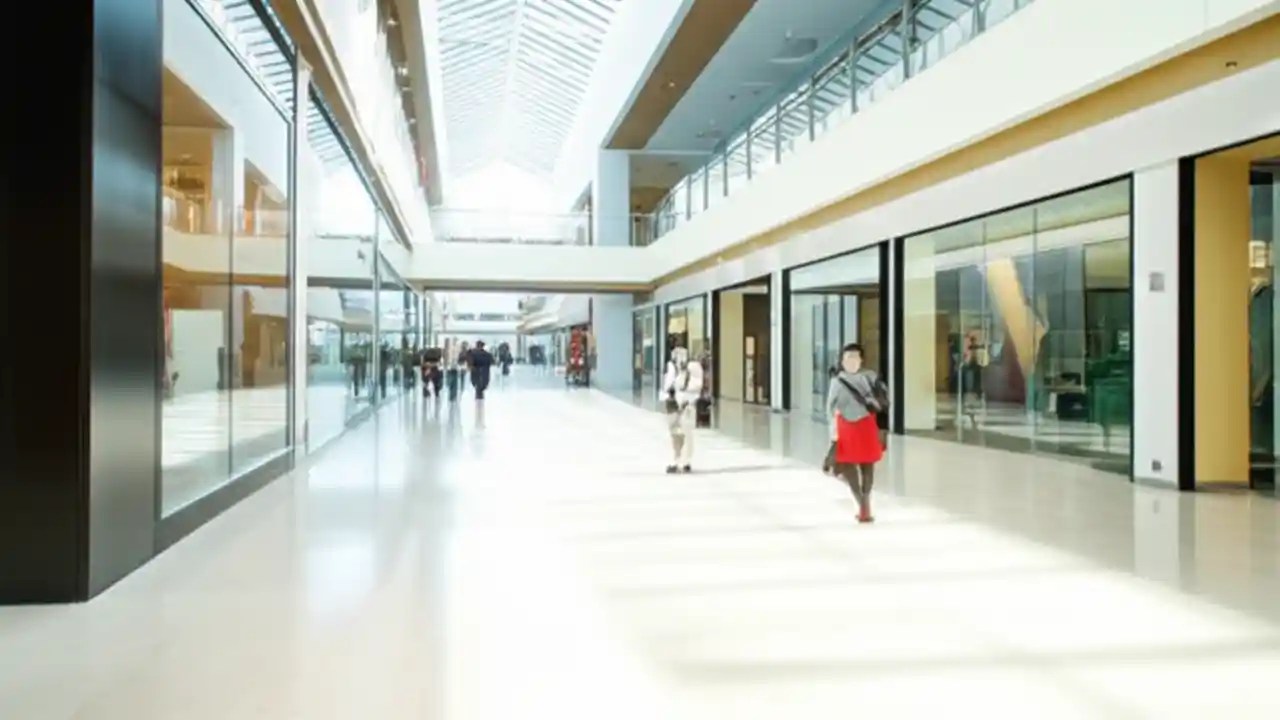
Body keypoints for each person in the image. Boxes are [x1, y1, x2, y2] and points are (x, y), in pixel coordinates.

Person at [827, 342, 885, 523]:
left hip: (861, 426)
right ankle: (863, 503)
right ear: (842, 361)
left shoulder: (848, 380)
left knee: (856, 464)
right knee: (855, 464)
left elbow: (829, 407)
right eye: (848, 357)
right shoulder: (843, 380)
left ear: (861, 359)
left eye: (855, 357)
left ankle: (863, 502)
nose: (852, 361)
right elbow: (830, 408)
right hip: (854, 426)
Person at [662, 346, 704, 474]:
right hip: (672, 403)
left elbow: (697, 387)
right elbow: (667, 384)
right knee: (675, 433)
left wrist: (687, 399)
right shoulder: (671, 366)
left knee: (687, 432)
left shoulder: (694, 367)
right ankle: (676, 460)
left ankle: (685, 461)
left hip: (687, 404)